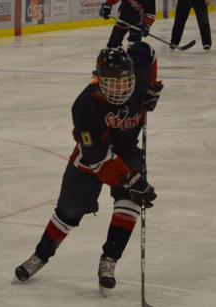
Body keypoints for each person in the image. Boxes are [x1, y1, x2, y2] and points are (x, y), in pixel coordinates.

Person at [14, 43, 162, 293]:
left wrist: (152, 87)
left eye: (125, 82)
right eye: (112, 83)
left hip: (127, 150)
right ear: (99, 80)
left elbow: (148, 51)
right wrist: (130, 178)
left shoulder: (139, 70)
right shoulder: (84, 106)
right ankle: (40, 255)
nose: (120, 89)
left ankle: (109, 260)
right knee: (69, 210)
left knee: (131, 202)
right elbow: (97, 157)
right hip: (92, 157)